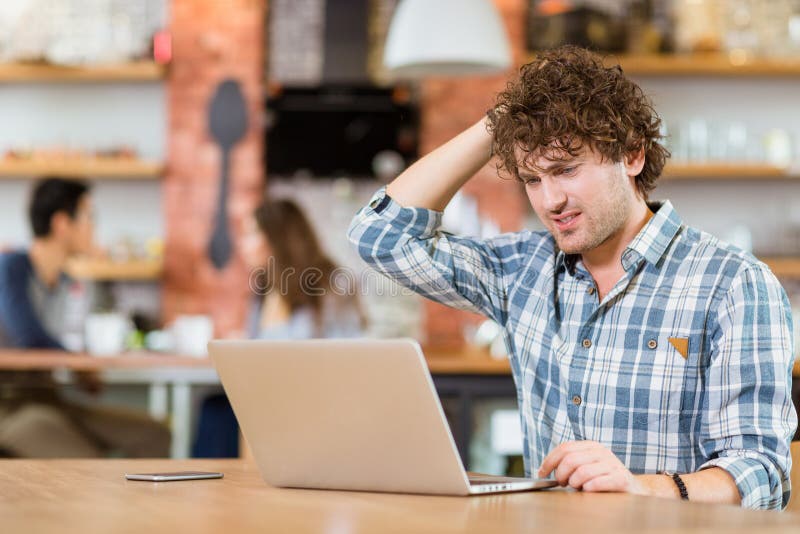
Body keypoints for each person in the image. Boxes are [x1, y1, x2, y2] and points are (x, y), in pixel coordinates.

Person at [348, 46, 796, 510]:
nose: (550, 201)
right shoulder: (521, 270)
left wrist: (643, 487)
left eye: (565, 170)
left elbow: (761, 474)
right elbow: (379, 235)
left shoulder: (734, 284)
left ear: (632, 156)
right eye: (532, 179)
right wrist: (498, 122)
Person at [0, 178, 170, 458]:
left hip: (51, 399)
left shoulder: (67, 283)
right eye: (89, 217)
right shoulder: (11, 269)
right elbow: (29, 336)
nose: (94, 227)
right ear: (61, 224)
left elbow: (91, 326)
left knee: (155, 434)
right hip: (9, 406)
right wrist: (77, 365)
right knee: (87, 463)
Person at [193, 197, 364, 457]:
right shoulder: (264, 288)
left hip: (313, 399)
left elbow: (349, 353)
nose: (242, 245)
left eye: (251, 235)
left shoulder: (330, 284)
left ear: (277, 239)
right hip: (270, 394)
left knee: (230, 414)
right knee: (214, 409)